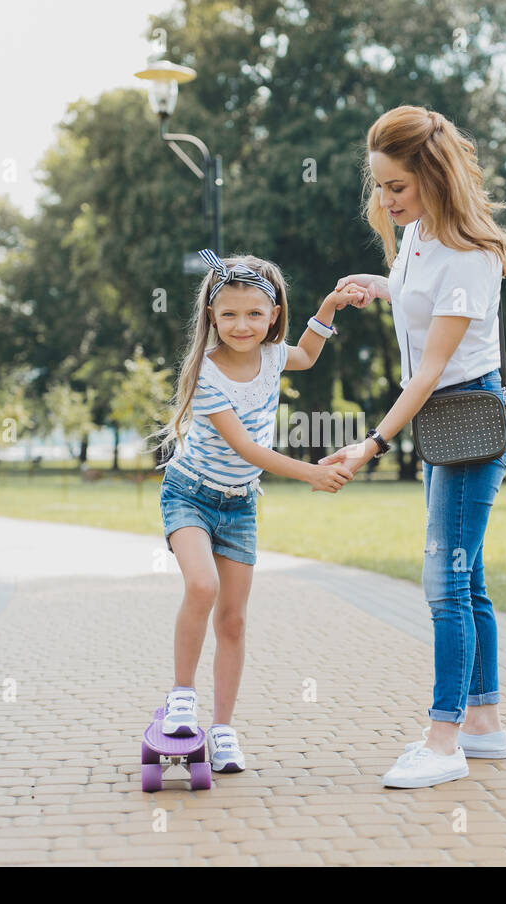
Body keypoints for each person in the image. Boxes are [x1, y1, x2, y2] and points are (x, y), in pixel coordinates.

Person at [324, 105, 506, 788]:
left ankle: (443, 742)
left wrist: (371, 443)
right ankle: (485, 725)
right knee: (468, 579)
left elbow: (433, 367)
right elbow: (419, 299)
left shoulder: (468, 255)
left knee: (445, 584)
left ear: (434, 178)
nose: (385, 199)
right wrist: (378, 286)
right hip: (444, 420)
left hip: (468, 420)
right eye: (378, 186)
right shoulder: (418, 238)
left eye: (397, 187)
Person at [147, 250, 365, 773]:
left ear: (273, 316)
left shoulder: (272, 357)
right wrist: (312, 472)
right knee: (202, 587)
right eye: (228, 314)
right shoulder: (208, 373)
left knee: (234, 620)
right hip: (190, 494)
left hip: (240, 506)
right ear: (210, 317)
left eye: (253, 314)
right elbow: (248, 449)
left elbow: (309, 355)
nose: (241, 325)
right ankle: (182, 696)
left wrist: (331, 306)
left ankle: (222, 730)